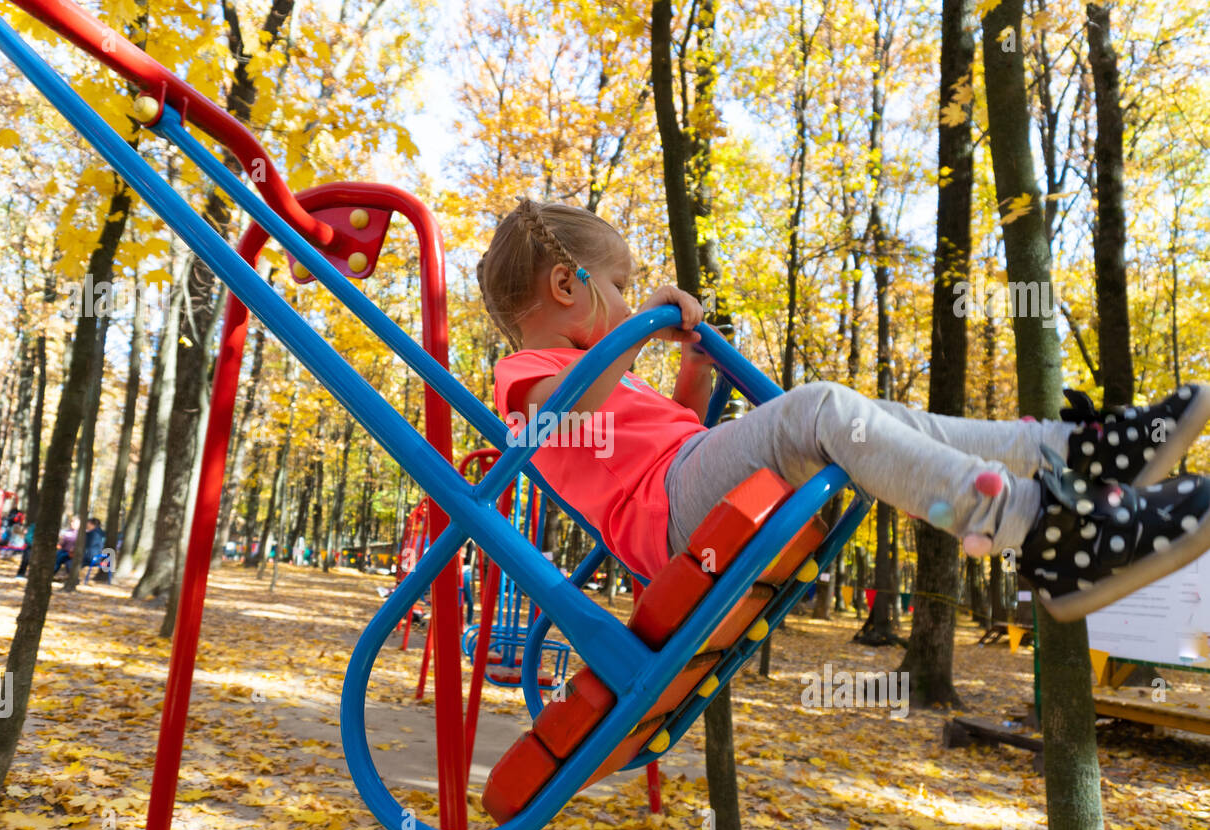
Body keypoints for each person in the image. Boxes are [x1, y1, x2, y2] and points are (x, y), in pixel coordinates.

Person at [479, 198, 1210, 622]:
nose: (630, 296)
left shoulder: (602, 370)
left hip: (683, 481)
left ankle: (1068, 451)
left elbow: (677, 431)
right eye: (618, 281)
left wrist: (696, 367)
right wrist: (640, 329)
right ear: (568, 286)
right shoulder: (525, 373)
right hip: (664, 522)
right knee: (819, 410)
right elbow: (563, 420)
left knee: (873, 416)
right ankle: (1039, 531)